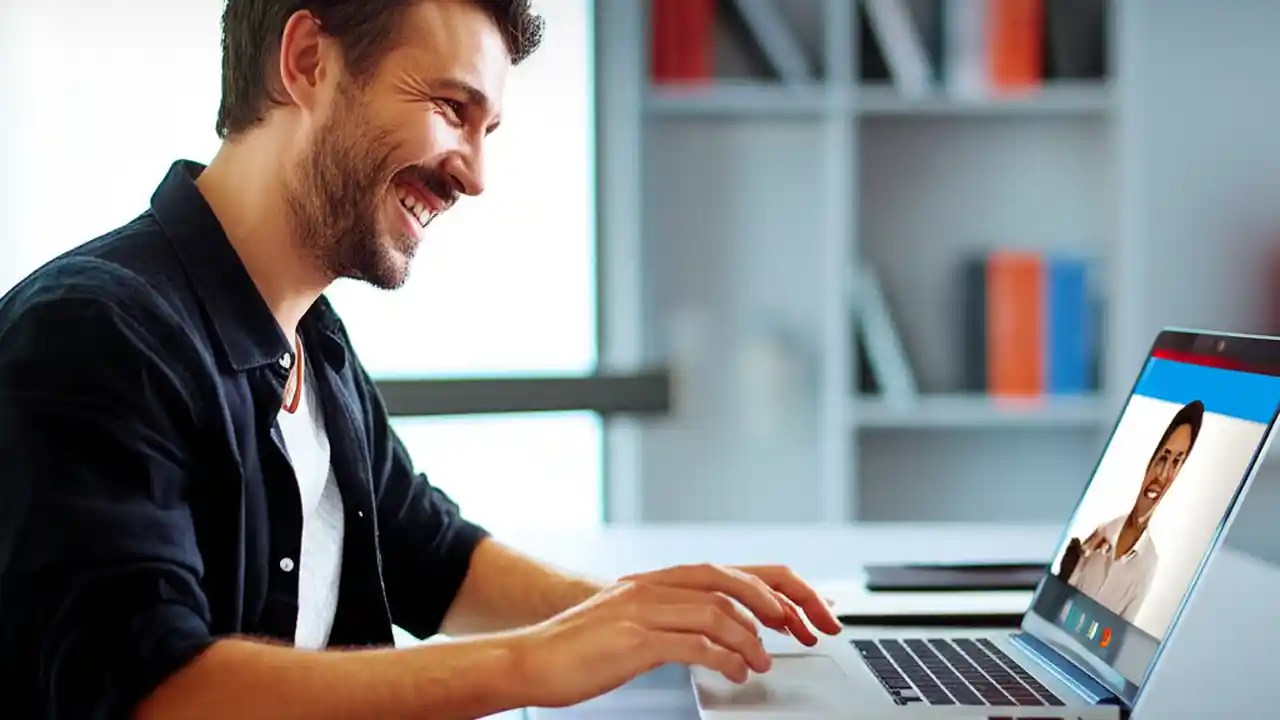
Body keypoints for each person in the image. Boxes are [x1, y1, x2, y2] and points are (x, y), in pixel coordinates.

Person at [0, 2, 844, 717]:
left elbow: (434, 561)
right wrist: (535, 664)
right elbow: (146, 688)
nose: (474, 176)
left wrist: (642, 614)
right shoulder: (94, 332)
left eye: (487, 128)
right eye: (450, 107)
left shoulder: (311, 341)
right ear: (306, 62)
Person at [1061, 400, 1205, 622]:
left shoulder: (1148, 563)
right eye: (1163, 458)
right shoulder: (1101, 528)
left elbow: (1120, 637)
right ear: (1150, 460)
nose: (1164, 474)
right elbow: (1061, 599)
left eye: (1177, 462)